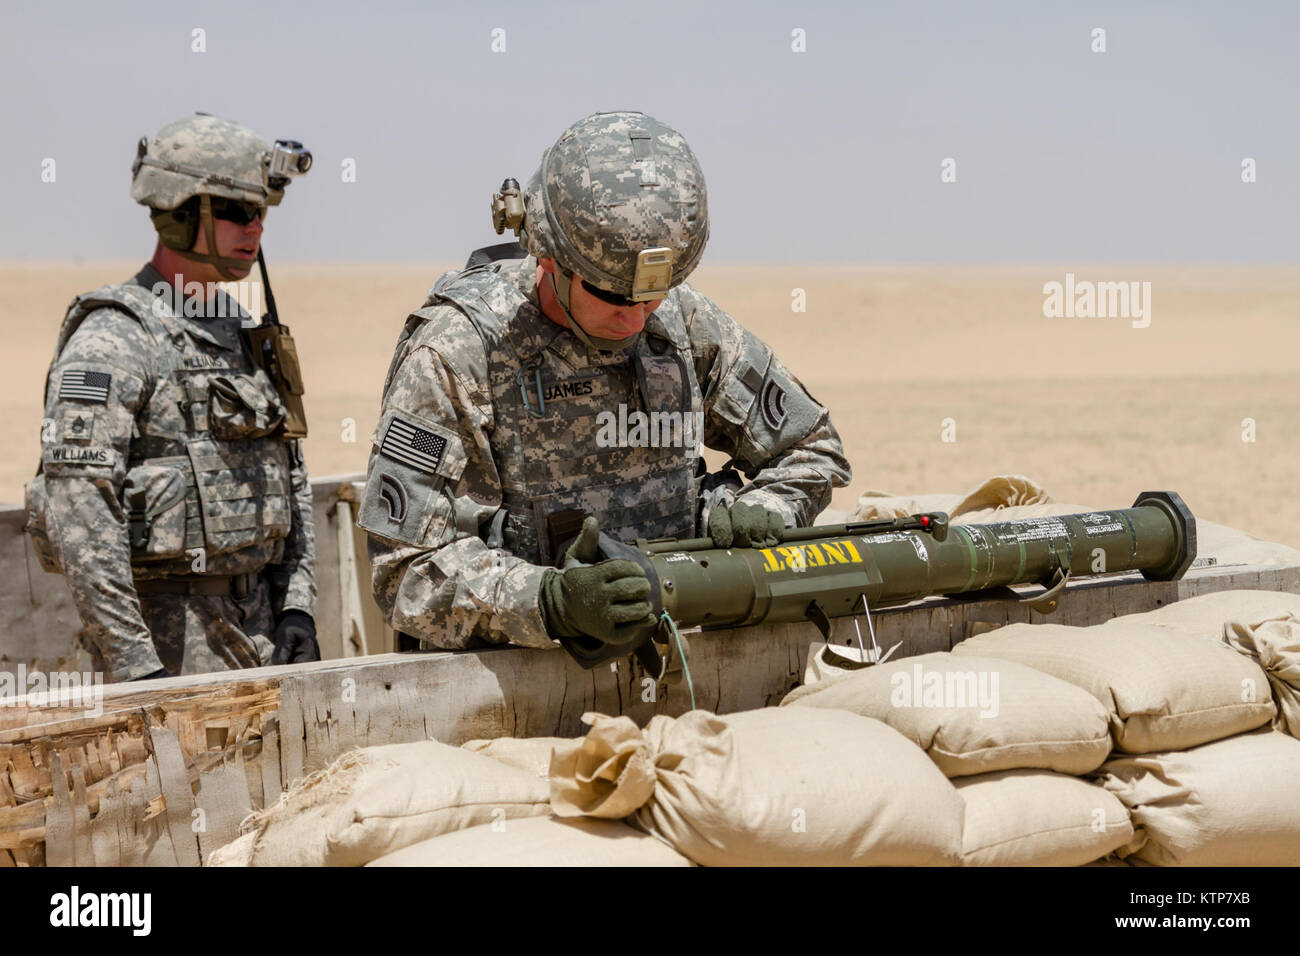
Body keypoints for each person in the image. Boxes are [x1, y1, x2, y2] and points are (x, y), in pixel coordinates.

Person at [358, 111, 850, 664]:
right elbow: (404, 572)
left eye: (655, 296)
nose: (637, 320)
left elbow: (812, 446)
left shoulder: (682, 323)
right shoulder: (456, 354)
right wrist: (549, 602)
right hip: (517, 681)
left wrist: (769, 508)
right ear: (549, 256)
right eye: (614, 298)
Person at [26, 113, 319, 682]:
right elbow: (81, 509)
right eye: (234, 210)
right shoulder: (115, 334)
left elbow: (292, 477)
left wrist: (297, 606)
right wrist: (137, 667)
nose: (254, 228)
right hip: (167, 644)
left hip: (260, 638)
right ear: (182, 214)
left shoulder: (238, 329)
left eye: (259, 211)